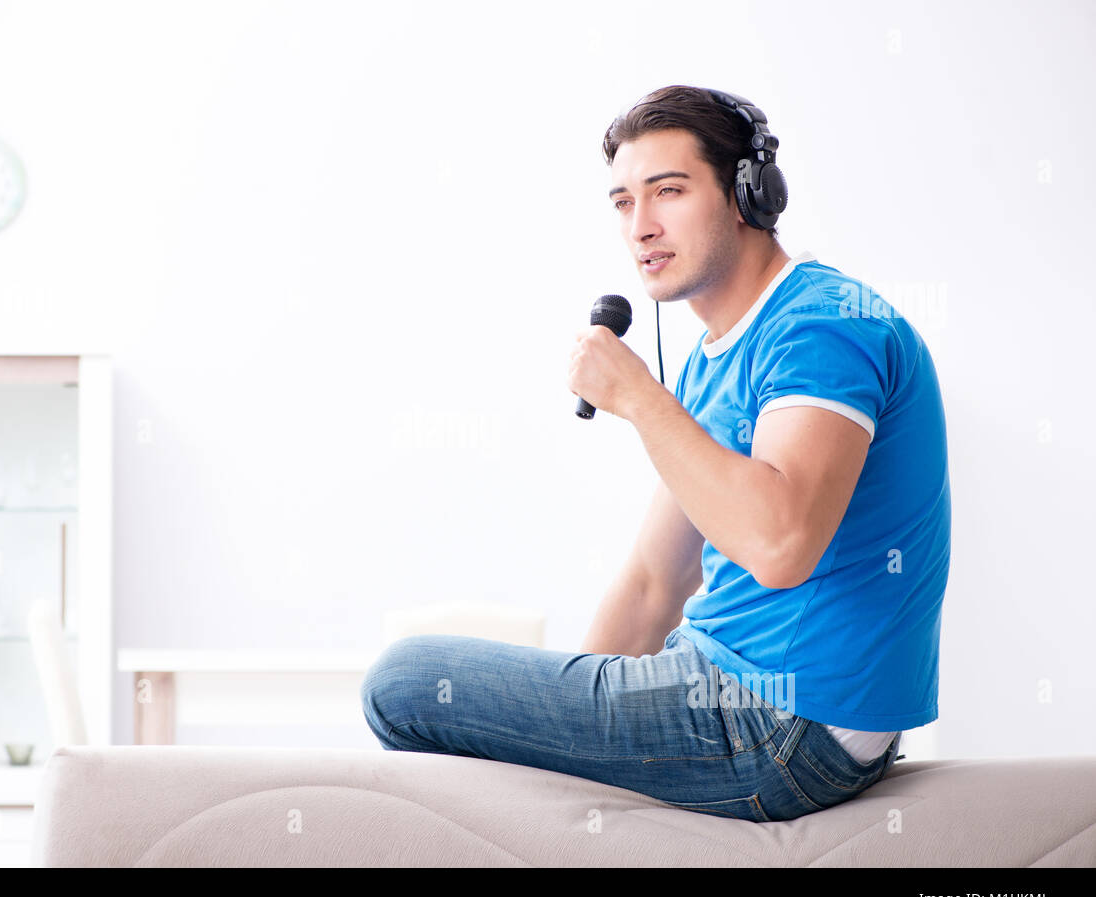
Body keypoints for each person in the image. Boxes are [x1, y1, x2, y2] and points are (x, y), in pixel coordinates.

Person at [359, 85, 951, 823]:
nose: (641, 226)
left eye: (667, 191)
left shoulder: (820, 324)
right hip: (731, 697)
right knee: (460, 695)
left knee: (403, 681)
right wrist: (560, 724)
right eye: (621, 202)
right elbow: (653, 582)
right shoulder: (711, 359)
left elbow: (781, 543)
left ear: (748, 193)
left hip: (780, 723)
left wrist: (640, 397)